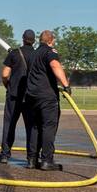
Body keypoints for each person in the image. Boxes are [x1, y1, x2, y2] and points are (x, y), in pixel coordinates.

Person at [25, 29, 73, 171]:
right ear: (51, 40)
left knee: (34, 127)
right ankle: (47, 160)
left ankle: (32, 160)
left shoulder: (33, 54)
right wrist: (66, 85)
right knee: (48, 127)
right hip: (46, 97)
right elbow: (55, 65)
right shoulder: (50, 52)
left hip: (32, 96)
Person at [0, 29, 37, 164]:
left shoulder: (14, 53)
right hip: (30, 96)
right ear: (34, 41)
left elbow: (5, 74)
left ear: (23, 39)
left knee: (9, 125)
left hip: (13, 96)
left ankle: (5, 155)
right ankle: (31, 158)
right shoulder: (37, 55)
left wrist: (8, 85)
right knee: (31, 127)